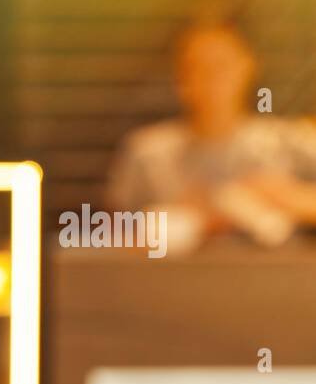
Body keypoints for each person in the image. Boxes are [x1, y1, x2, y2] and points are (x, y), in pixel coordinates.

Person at [107, 20, 316, 247]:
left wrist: (290, 198)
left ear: (248, 65)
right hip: (174, 280)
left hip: (277, 279)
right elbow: (113, 241)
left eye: (221, 65)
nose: (211, 79)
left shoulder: (290, 142)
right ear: (179, 77)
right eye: (196, 67)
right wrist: (188, 219)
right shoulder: (148, 152)